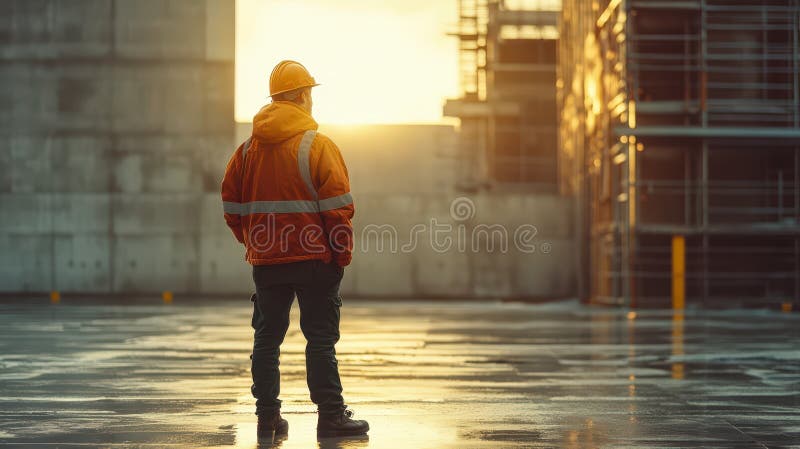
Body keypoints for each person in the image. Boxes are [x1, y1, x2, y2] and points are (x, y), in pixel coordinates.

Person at [221, 60, 369, 441]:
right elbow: (338, 209)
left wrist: (256, 241)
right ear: (303, 96)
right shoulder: (317, 146)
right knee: (320, 338)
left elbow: (232, 207)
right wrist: (341, 255)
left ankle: (267, 418)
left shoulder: (246, 151)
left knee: (266, 339)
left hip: (267, 260)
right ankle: (331, 417)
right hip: (315, 258)